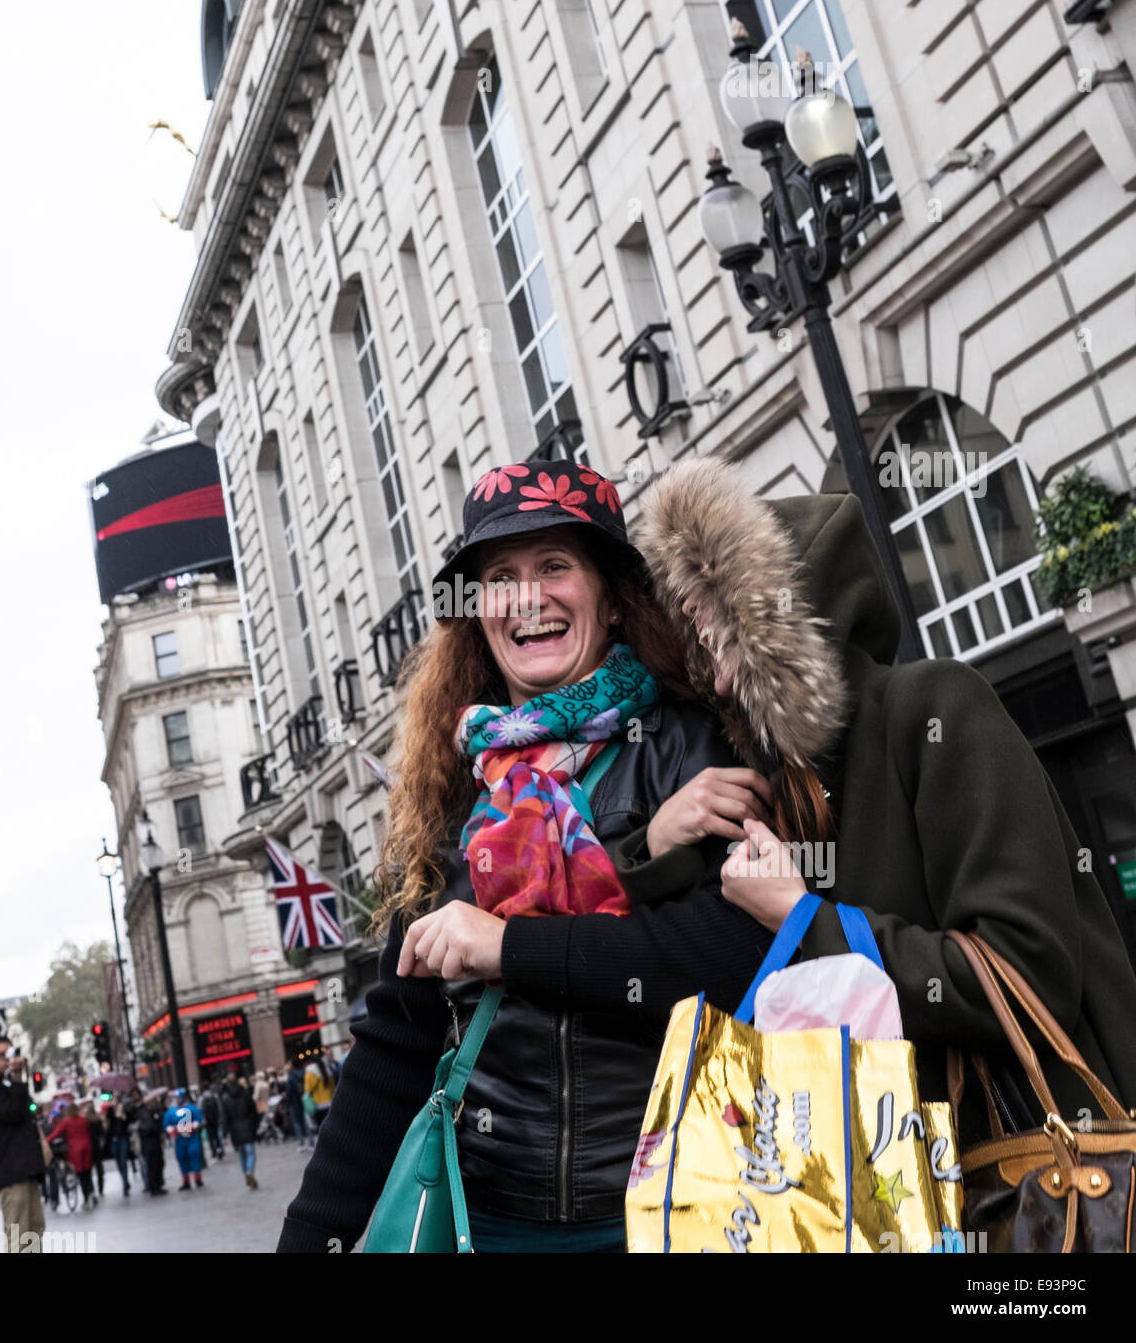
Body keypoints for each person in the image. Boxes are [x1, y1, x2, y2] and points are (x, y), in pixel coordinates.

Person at [278, 457, 775, 1252]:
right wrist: (312, 1235)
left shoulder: (690, 747)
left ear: (611, 599)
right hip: (491, 1225)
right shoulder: (454, 790)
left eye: (555, 566)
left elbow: (732, 954)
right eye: (501, 575)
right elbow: (400, 1033)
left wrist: (504, 946)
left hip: (676, 1212)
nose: (529, 596)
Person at [634, 455, 1136, 1121]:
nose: (700, 633)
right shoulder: (769, 782)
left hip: (1032, 1167)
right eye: (691, 618)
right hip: (884, 1193)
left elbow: (1030, 975)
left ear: (780, 620)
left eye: (714, 610)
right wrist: (657, 843)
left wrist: (802, 921)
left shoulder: (936, 708)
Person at [0, 1035, 46, 1252]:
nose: (8, 1060)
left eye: (10, 1054)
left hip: (27, 1168)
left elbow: (27, 1111)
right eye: (1, 1056)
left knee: (35, 1229)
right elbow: (12, 1113)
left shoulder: (10, 1084)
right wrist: (17, 1077)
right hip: (10, 1171)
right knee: (19, 1235)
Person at [45, 1102, 96, 1207]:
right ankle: (91, 1192)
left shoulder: (66, 1122)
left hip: (75, 1149)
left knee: (81, 1174)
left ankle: (86, 1196)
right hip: (87, 1147)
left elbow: (55, 1133)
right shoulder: (83, 1120)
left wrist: (45, 1141)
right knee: (88, 1172)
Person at [222, 1071, 260, 1188]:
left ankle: (246, 1175)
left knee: (242, 1154)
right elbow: (253, 1111)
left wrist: (224, 1134)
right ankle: (249, 1171)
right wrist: (255, 1126)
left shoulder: (225, 1097)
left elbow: (225, 1117)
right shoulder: (245, 1093)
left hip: (235, 1129)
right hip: (247, 1126)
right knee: (251, 1153)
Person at [163, 1089, 205, 1189]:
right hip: (179, 1140)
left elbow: (198, 1121)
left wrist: (189, 1127)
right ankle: (186, 1181)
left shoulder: (192, 1109)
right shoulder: (171, 1112)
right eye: (175, 1098)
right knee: (182, 1158)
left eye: (179, 1097)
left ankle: (198, 1179)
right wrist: (171, 1130)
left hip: (191, 1138)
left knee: (194, 1156)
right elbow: (167, 1124)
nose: (177, 1100)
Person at [136, 1091, 167, 1196]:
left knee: (159, 1163)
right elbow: (148, 1127)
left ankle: (159, 1184)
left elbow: (160, 1121)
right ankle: (154, 1187)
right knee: (152, 1165)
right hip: (149, 1144)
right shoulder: (143, 1113)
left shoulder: (155, 1112)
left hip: (156, 1142)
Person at [283, 1060, 314, 1153]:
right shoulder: (304, 1073)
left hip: (294, 1103)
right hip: (304, 1101)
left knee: (297, 1124)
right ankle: (312, 1143)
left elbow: (289, 1092)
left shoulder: (291, 1077)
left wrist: (288, 1105)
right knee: (306, 1122)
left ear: (292, 1065)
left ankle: (302, 1144)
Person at [105, 1097, 133, 1196]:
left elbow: (129, 1122)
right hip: (114, 1140)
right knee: (118, 1163)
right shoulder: (111, 1111)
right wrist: (112, 1110)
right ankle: (125, 1180)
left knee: (123, 1161)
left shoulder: (124, 1110)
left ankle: (125, 1184)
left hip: (123, 1139)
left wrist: (123, 1115)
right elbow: (108, 1123)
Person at [302, 1057, 335, 1132]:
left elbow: (308, 1089)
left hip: (318, 1103)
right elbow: (332, 1086)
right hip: (330, 1101)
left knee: (322, 1127)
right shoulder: (327, 1069)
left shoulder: (310, 1072)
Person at [199, 1082, 225, 1160]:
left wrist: (203, 1121)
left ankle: (214, 1151)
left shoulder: (201, 1098)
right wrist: (220, 1118)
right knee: (218, 1136)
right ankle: (220, 1150)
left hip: (207, 1121)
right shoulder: (215, 1096)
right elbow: (220, 1108)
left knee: (211, 1137)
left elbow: (200, 1110)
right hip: (216, 1119)